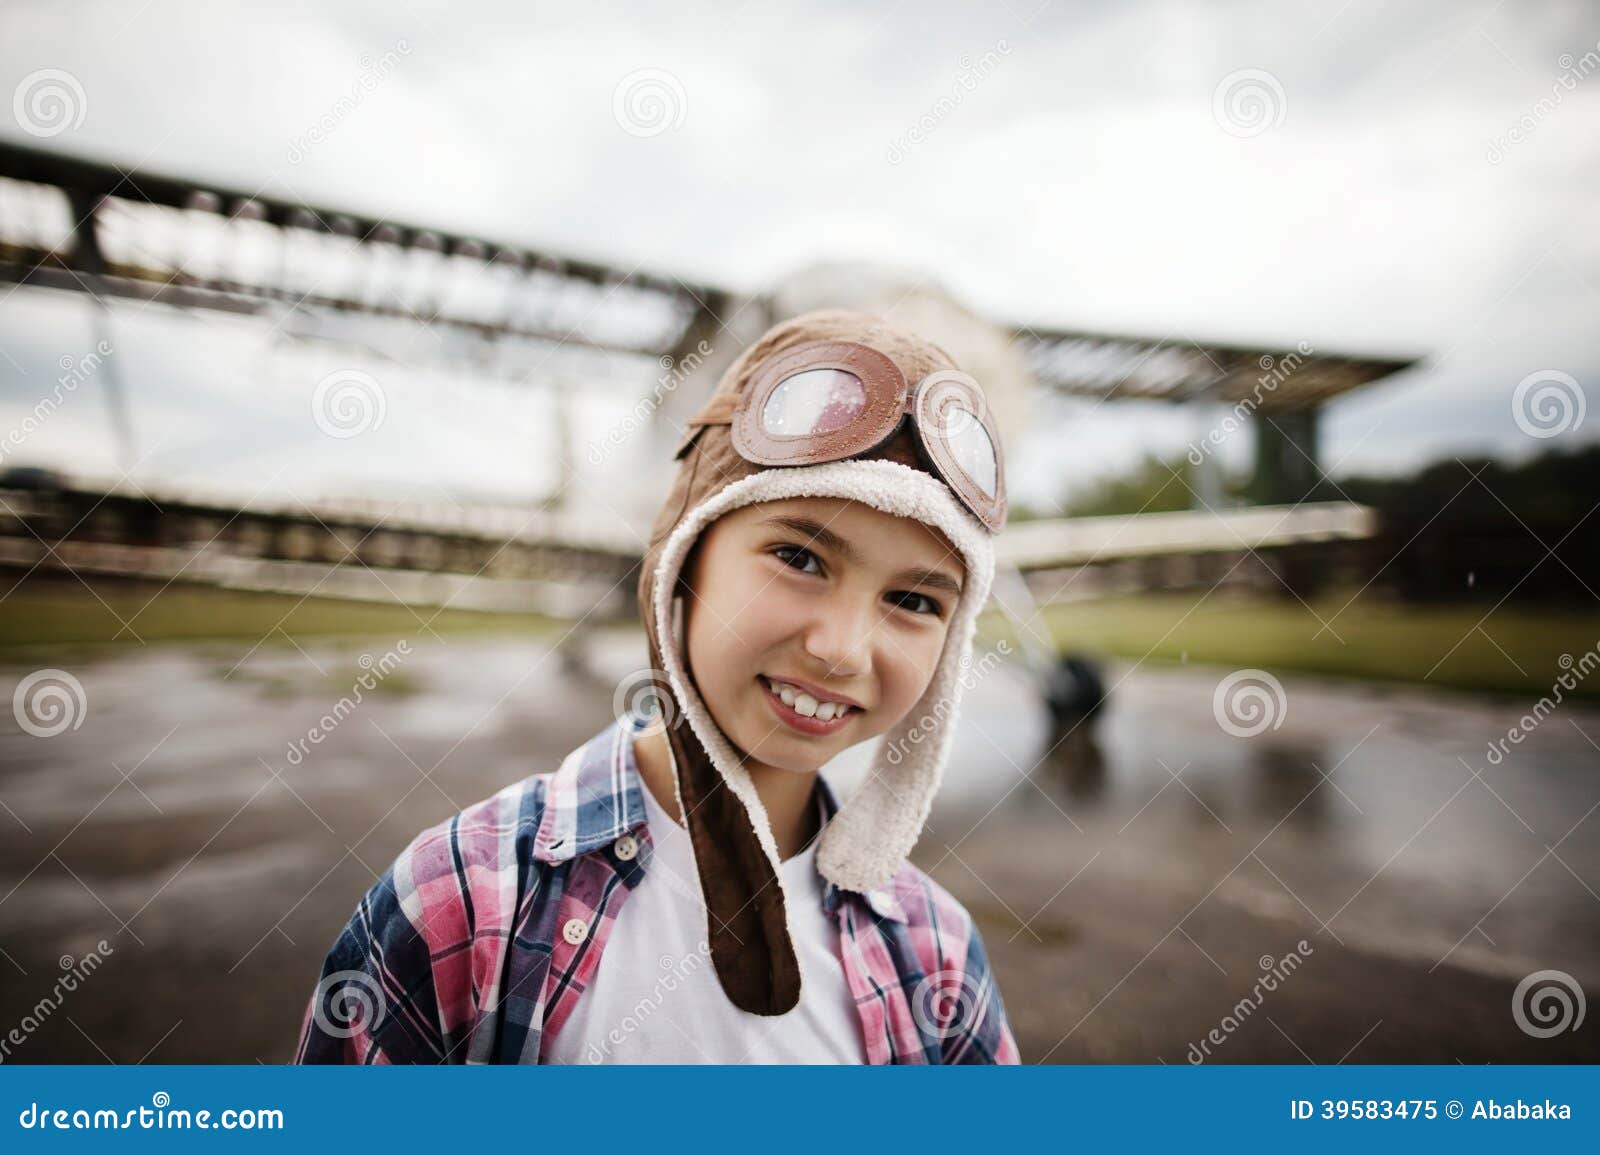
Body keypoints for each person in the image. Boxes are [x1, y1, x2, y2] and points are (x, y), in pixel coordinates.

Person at [292, 309, 1020, 1064]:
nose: (841, 650)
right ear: (685, 557)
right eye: (800, 557)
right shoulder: (460, 900)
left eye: (914, 600)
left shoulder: (939, 955)